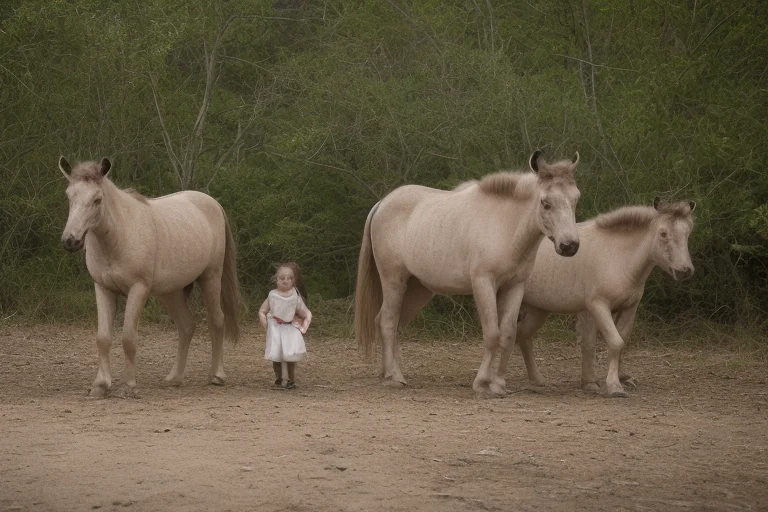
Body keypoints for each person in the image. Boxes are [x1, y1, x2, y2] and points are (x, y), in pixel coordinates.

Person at [258, 262, 311, 389]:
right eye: (282, 278)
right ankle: (279, 378)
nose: (285, 281)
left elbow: (306, 313)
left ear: (294, 280)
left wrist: (304, 327)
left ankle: (291, 380)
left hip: (290, 330)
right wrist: (266, 326)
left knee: (290, 356)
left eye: (289, 278)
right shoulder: (272, 295)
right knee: (276, 356)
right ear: (276, 279)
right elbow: (262, 311)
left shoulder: (295, 296)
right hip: (276, 329)